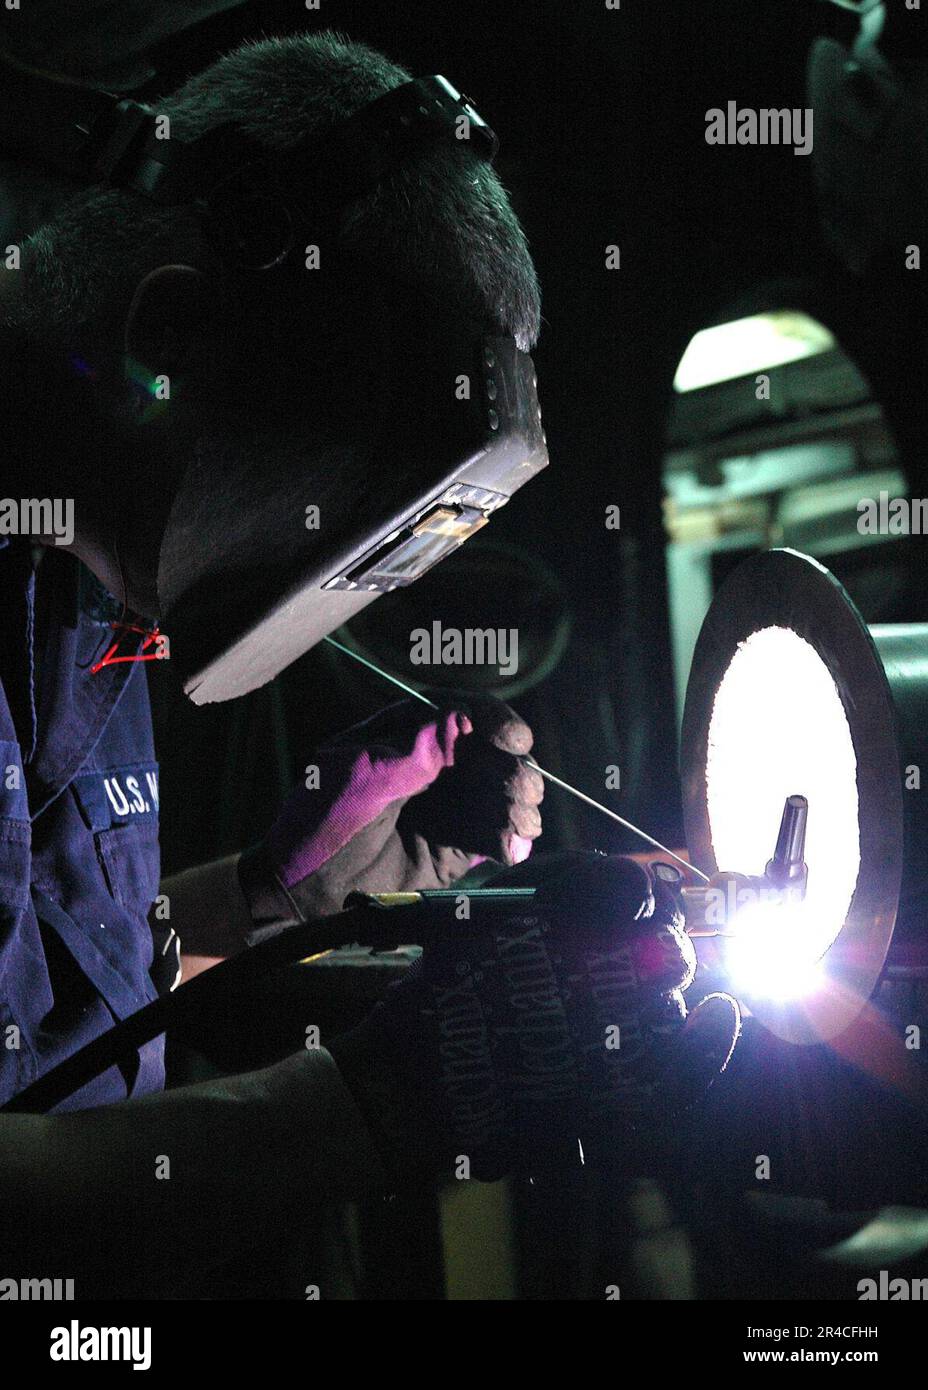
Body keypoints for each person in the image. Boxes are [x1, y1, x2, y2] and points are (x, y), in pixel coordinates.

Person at [0, 27, 737, 1297]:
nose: (345, 592)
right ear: (168, 348)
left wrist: (276, 893)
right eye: (335, 518)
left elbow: (50, 1014)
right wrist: (354, 1114)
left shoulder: (80, 572)